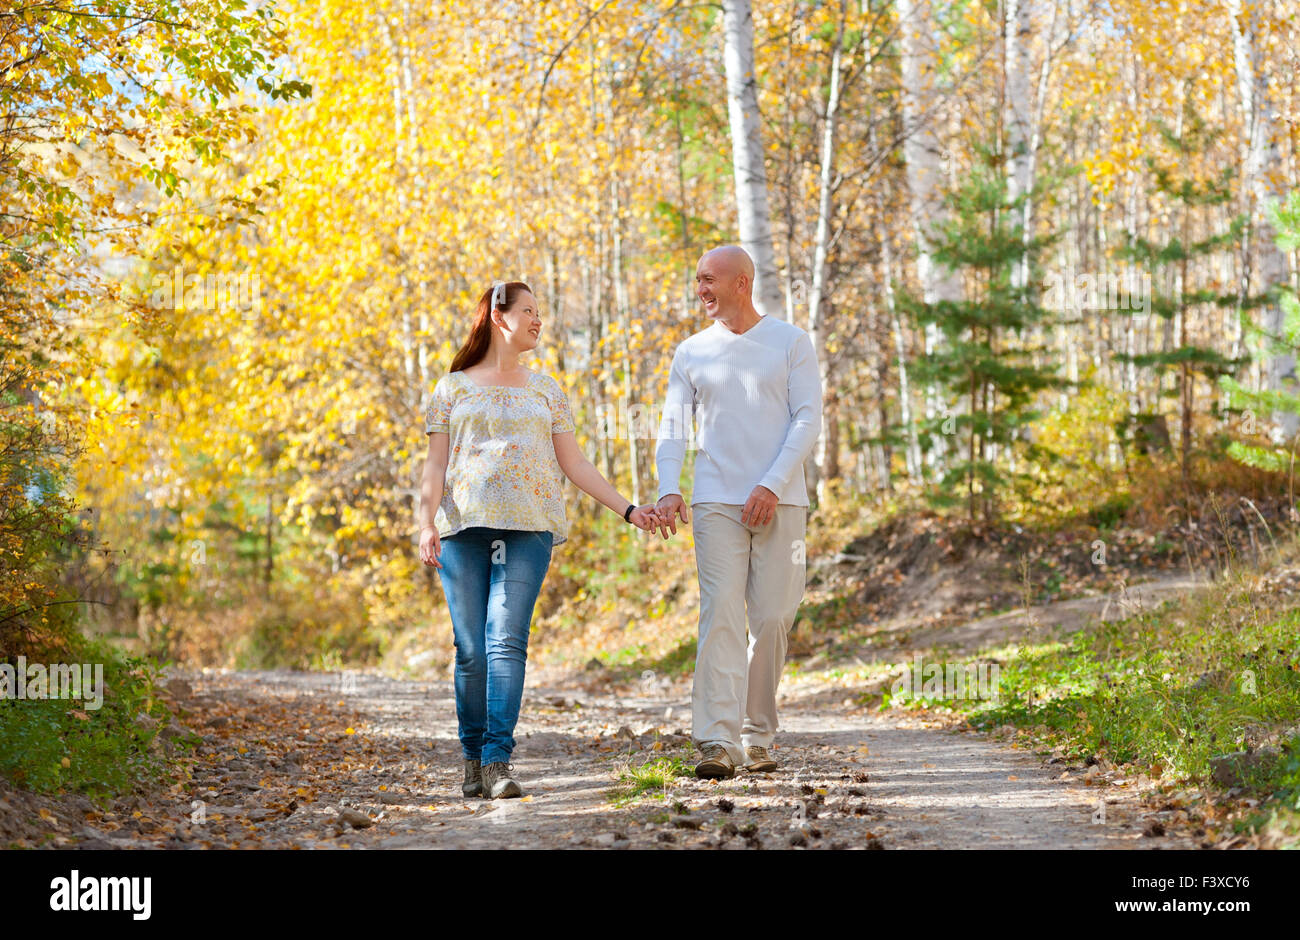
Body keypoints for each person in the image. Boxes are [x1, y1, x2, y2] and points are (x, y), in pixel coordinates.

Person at [418, 280, 659, 799]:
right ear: (497, 316)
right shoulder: (451, 387)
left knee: (506, 641)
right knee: (470, 650)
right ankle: (470, 754)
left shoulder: (547, 388)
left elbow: (574, 463)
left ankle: (496, 761)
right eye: (528, 310)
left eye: (540, 312)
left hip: (529, 530)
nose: (538, 320)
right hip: (462, 531)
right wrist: (424, 522)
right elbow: (435, 465)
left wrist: (630, 510)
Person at [653, 246, 823, 779]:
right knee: (721, 611)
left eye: (709, 280)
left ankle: (758, 735)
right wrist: (668, 487)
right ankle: (717, 741)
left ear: (741, 283)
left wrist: (772, 484)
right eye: (698, 279)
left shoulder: (791, 343)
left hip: (782, 499)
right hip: (716, 500)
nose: (700, 289)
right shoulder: (692, 351)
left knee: (773, 617)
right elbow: (673, 426)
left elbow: (807, 419)